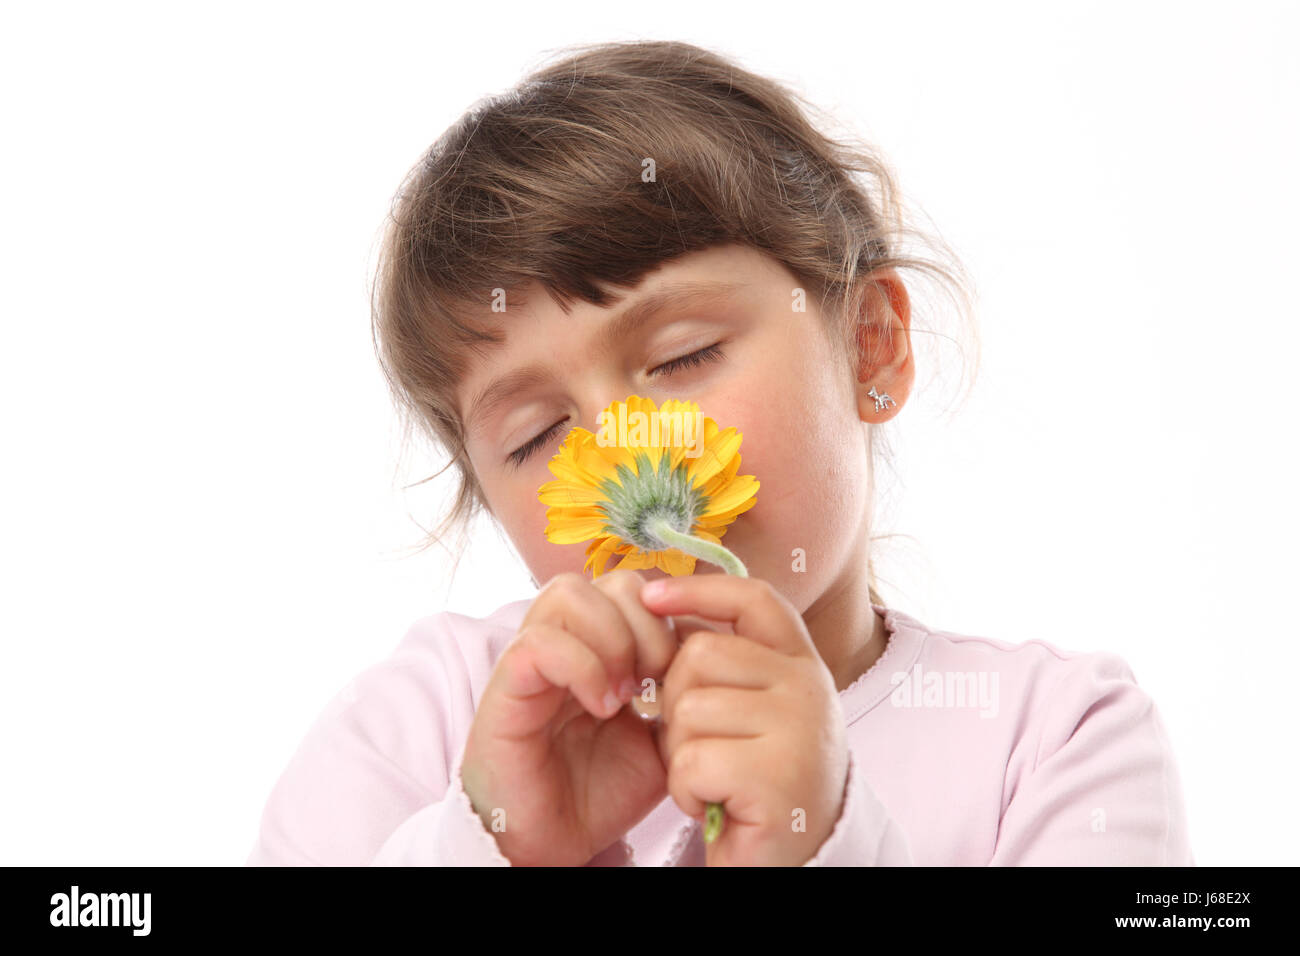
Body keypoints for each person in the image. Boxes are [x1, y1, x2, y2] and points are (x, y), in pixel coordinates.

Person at [246, 39, 1193, 866]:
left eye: (683, 355)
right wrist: (497, 842)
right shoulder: (422, 723)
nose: (624, 452)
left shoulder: (1059, 744)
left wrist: (816, 843)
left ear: (873, 344)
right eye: (535, 436)